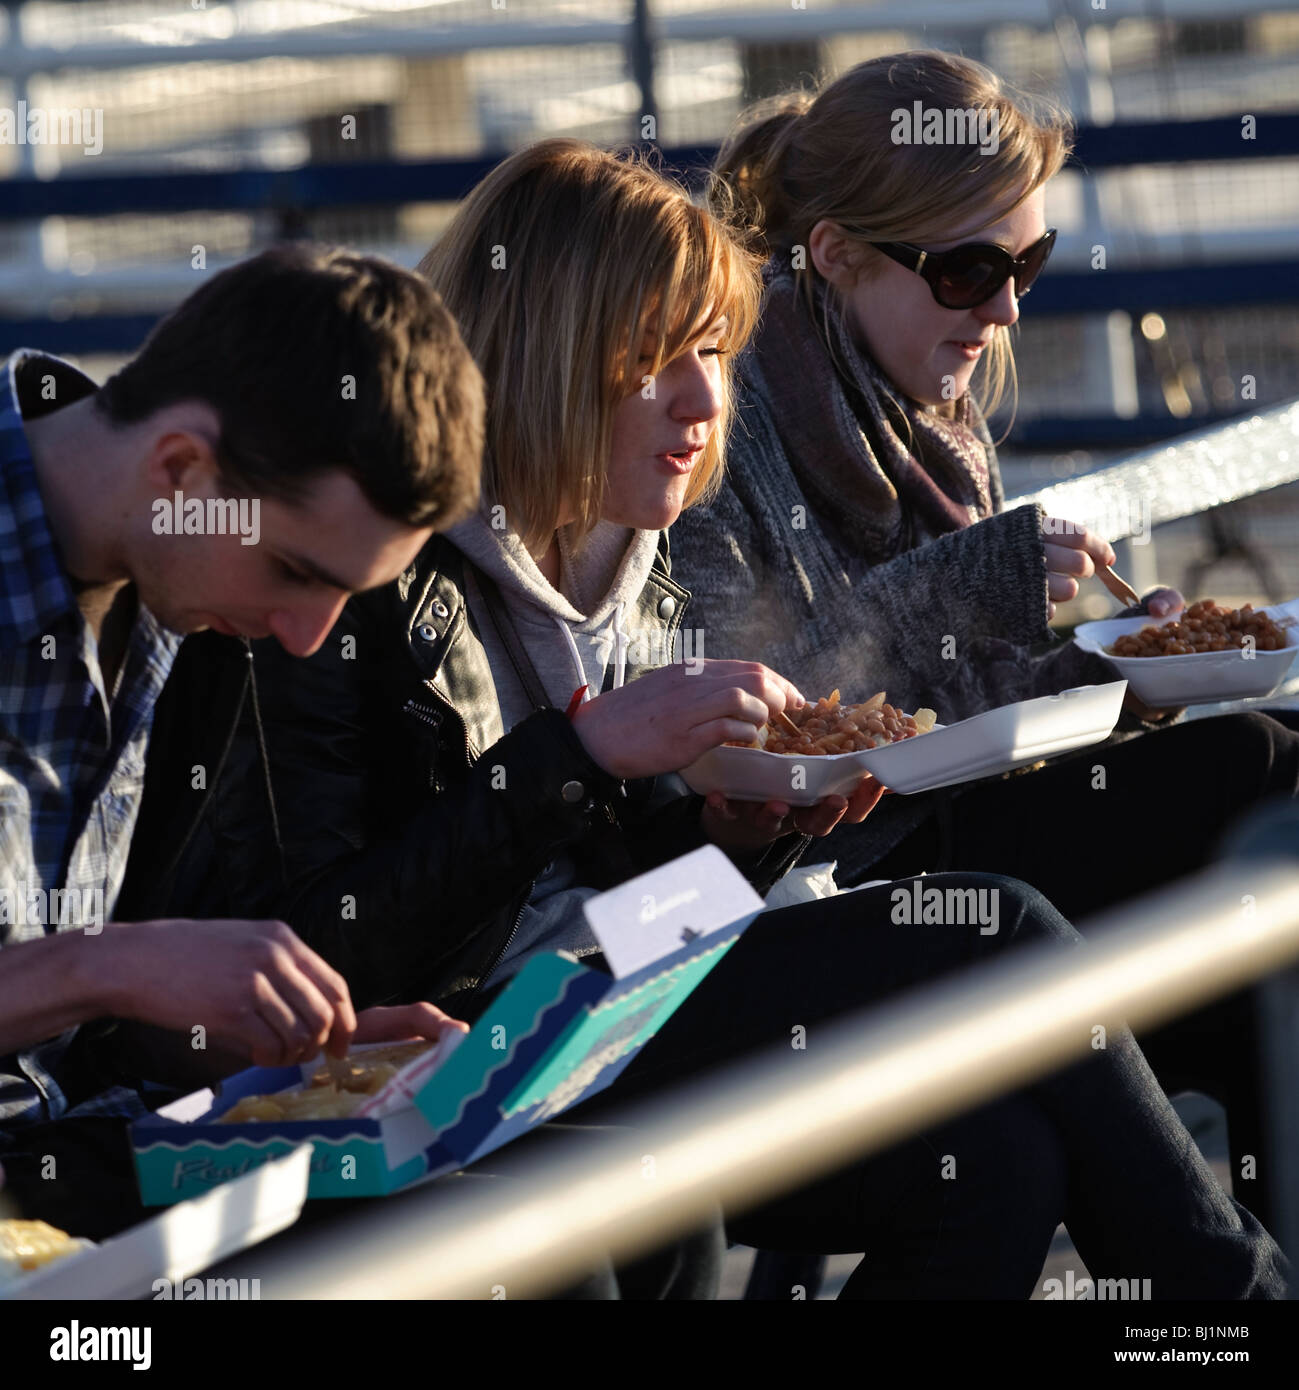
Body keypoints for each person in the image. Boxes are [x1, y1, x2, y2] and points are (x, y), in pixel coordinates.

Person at [118, 139, 1288, 1299]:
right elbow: (321, 957)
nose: (703, 400)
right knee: (998, 921)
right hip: (472, 1040)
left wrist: (744, 836)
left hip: (611, 991)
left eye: (718, 352)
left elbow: (629, 902)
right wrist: (578, 760)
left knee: (999, 1162)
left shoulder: (640, 558)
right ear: (545, 361)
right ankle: (1239, 1302)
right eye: (654, 358)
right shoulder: (354, 581)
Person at [668, 50, 1299, 1221]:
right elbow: (756, 711)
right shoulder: (717, 412)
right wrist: (972, 580)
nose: (1006, 308)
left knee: (1251, 924)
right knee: (1260, 770)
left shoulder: (930, 394)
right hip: (823, 879)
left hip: (959, 840)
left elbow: (972, 700)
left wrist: (1126, 667)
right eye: (969, 270)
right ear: (837, 254)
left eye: (1030, 263)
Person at [0, 244, 484, 1239]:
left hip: (77, 1162)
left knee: (603, 1216)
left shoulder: (174, 585)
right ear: (181, 466)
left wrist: (289, 1063)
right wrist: (104, 964)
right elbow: (95, 975)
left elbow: (80, 1047)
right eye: (297, 570)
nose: (307, 635)